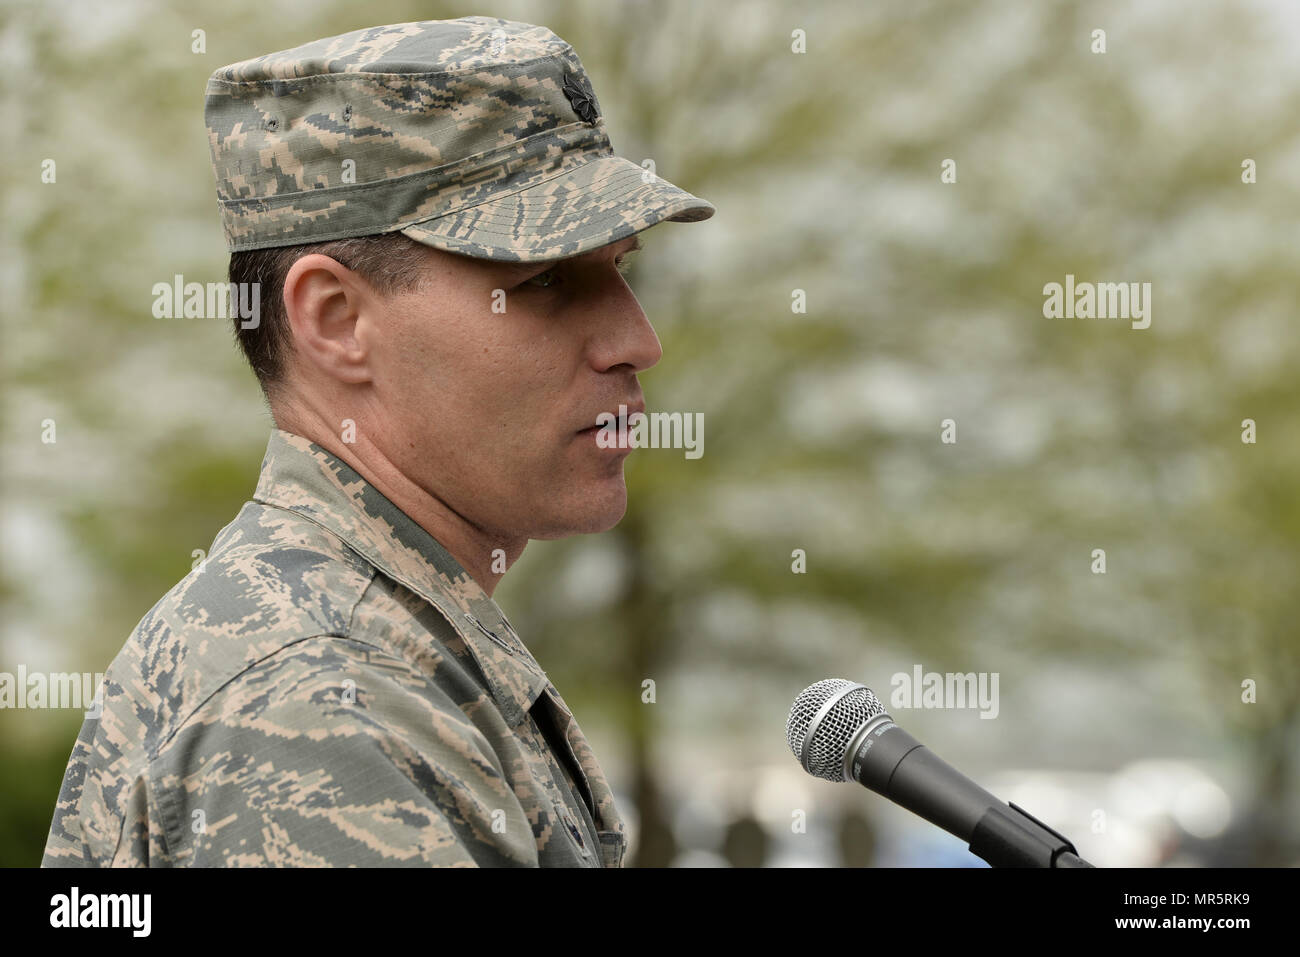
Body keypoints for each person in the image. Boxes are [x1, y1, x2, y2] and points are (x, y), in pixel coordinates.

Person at [41, 15, 714, 867]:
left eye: (623, 267)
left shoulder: (380, 649)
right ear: (336, 320)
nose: (636, 340)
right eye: (543, 280)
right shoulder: (318, 701)